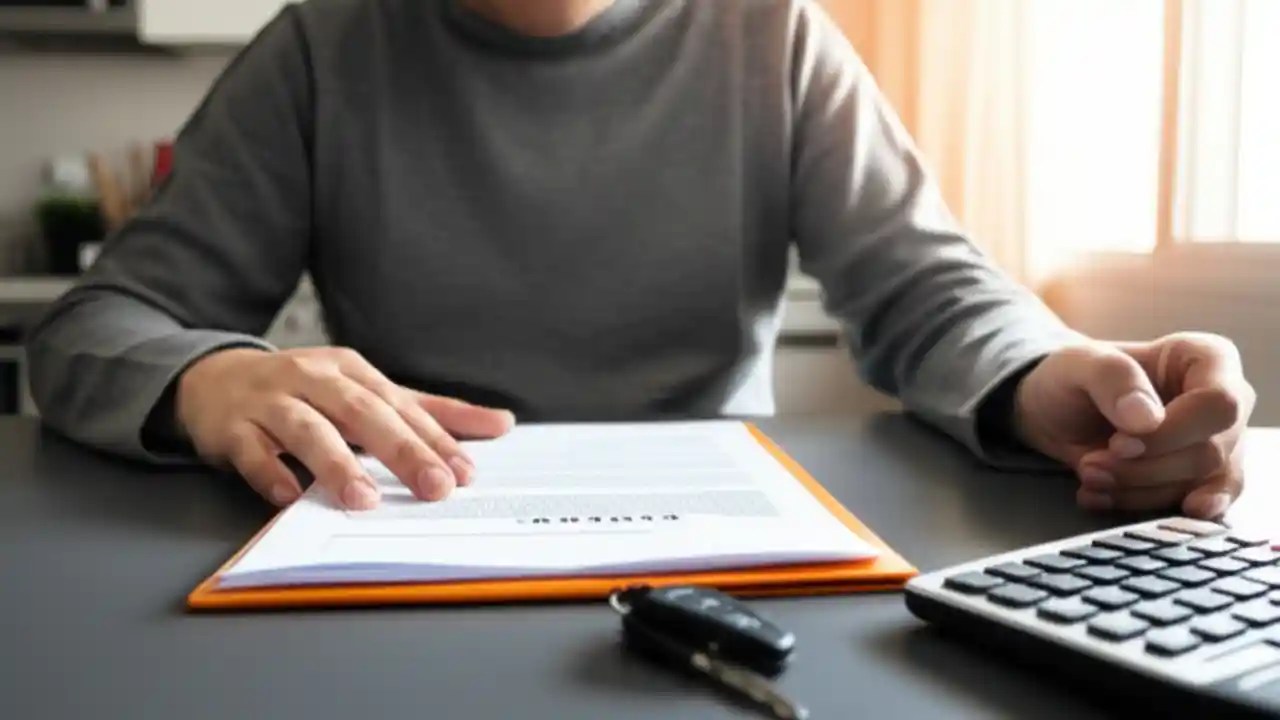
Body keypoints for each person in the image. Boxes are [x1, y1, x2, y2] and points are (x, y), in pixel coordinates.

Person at [27, 0, 1254, 519]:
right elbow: (97, 328)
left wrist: (1056, 381)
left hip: (725, 546)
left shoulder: (766, 34)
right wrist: (210, 377)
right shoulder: (320, 46)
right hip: (412, 531)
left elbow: (929, 291)